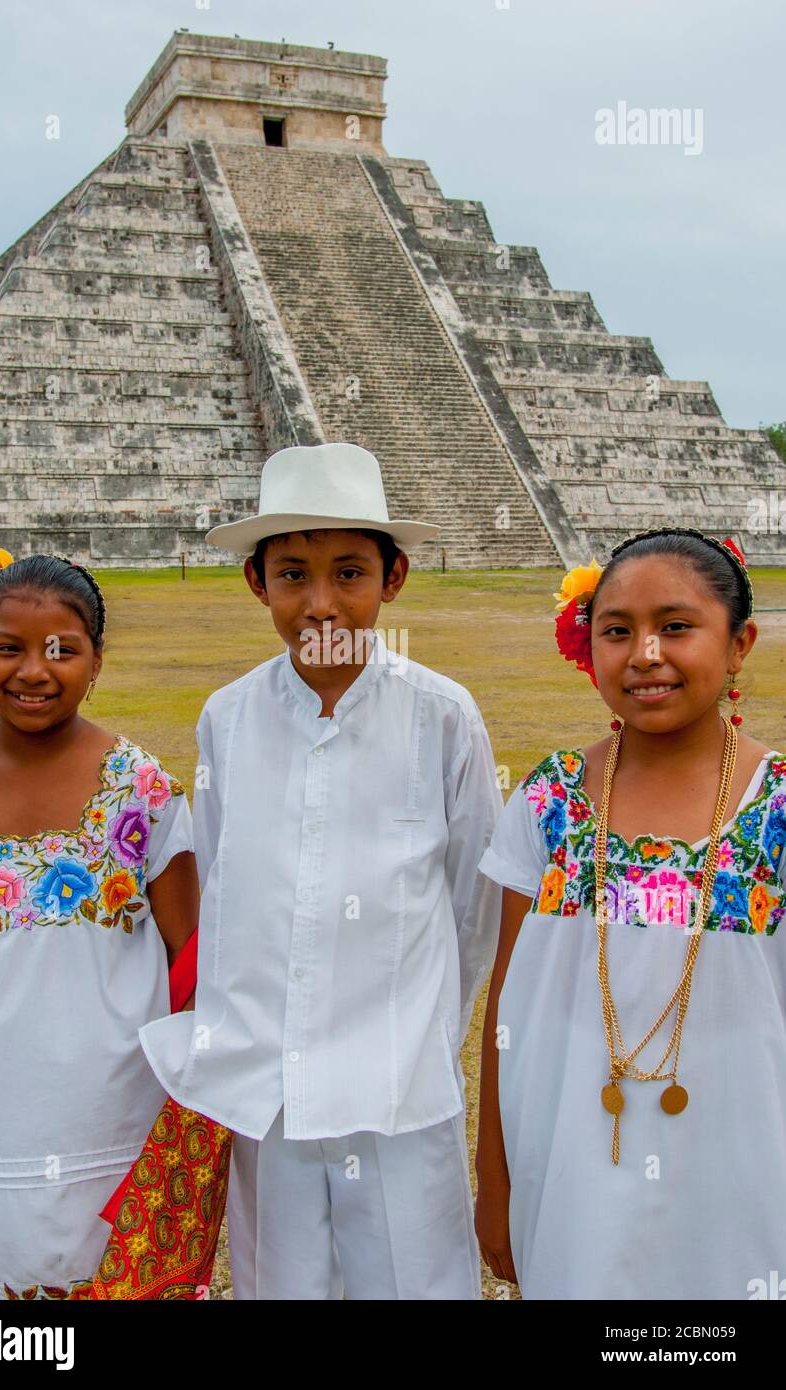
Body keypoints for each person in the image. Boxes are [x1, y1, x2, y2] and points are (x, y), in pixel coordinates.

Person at [140, 442, 502, 1299]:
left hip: (398, 1080)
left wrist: (418, 1032)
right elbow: (226, 890)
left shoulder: (442, 716)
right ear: (256, 583)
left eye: (348, 572)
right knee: (284, 1281)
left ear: (394, 579)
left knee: (413, 1277)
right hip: (270, 1079)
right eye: (293, 574)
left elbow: (470, 906)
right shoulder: (227, 718)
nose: (321, 601)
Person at [475, 527, 786, 1300]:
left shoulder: (774, 803)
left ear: (739, 643)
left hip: (743, 1166)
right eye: (616, 631)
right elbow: (507, 999)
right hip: (570, 1158)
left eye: (675, 627)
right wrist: (494, 1172)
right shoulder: (548, 799)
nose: (644, 653)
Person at [0, 550, 227, 1299]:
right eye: (8, 648)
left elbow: (190, 963)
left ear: (97, 660)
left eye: (63, 649)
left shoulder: (144, 790)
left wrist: (189, 1127)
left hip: (119, 1120)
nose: (35, 670)